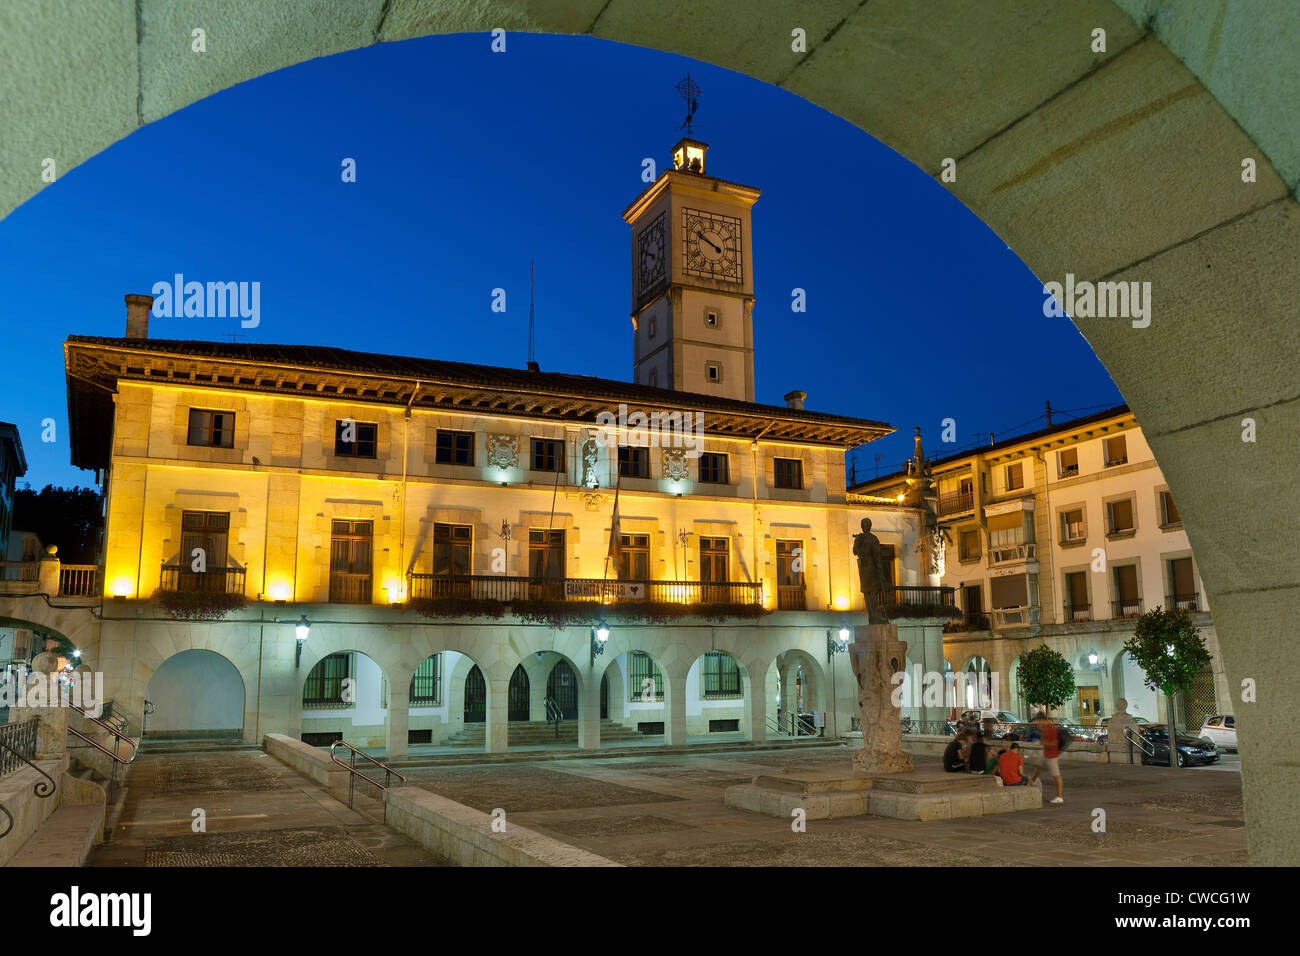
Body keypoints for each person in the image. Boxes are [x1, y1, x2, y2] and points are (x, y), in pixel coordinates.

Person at [1027, 712, 1064, 803]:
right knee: (1037, 765)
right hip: (1046, 753)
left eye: (1039, 721)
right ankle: (1032, 781)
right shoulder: (1046, 728)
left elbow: (1054, 743)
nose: (1038, 723)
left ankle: (1059, 796)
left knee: (1056, 775)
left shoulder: (1051, 728)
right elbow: (1045, 739)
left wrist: (1043, 742)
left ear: (1042, 719)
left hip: (1052, 755)